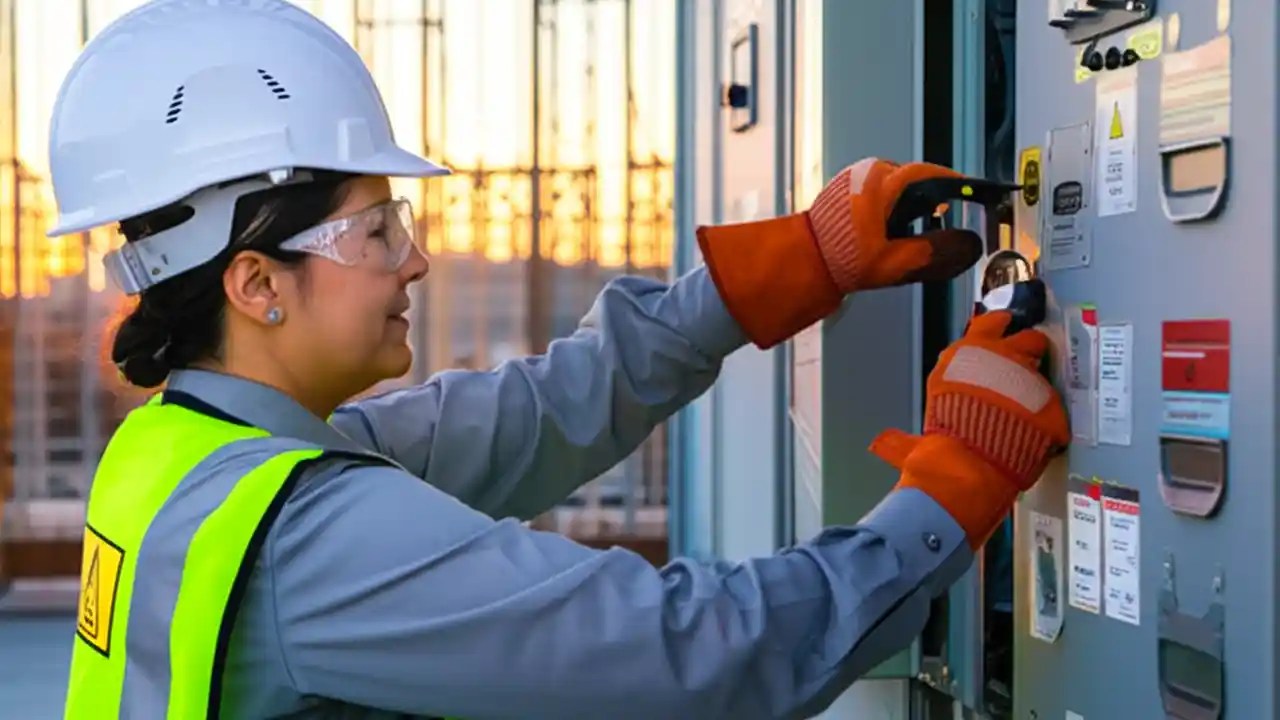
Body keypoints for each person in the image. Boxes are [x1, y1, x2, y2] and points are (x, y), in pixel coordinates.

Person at [54, 2, 1070, 718]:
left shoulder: (192, 458)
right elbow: (695, 654)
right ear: (255, 284)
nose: (415, 259)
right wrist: (952, 488)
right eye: (376, 231)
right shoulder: (315, 539)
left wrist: (789, 266)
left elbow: (532, 416)